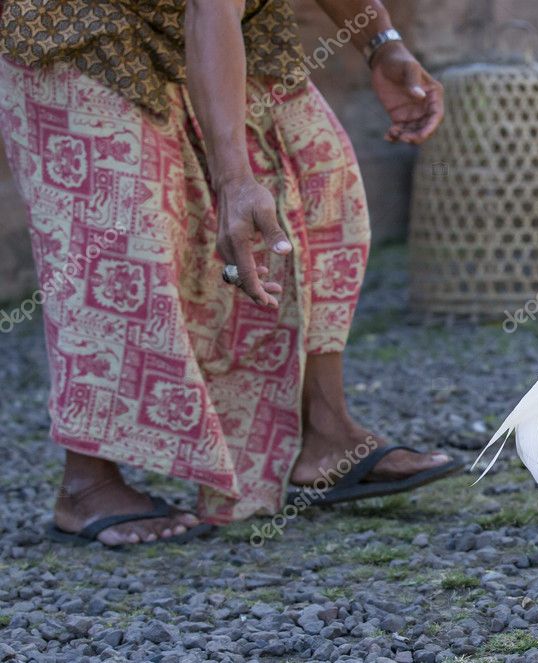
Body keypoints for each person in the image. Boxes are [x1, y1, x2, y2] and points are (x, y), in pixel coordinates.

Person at [0, 0, 459, 546]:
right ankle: (86, 480)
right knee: (117, 231)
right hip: (82, 22)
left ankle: (324, 431)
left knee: (317, 177)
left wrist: (383, 44)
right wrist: (233, 178)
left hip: (230, 23)